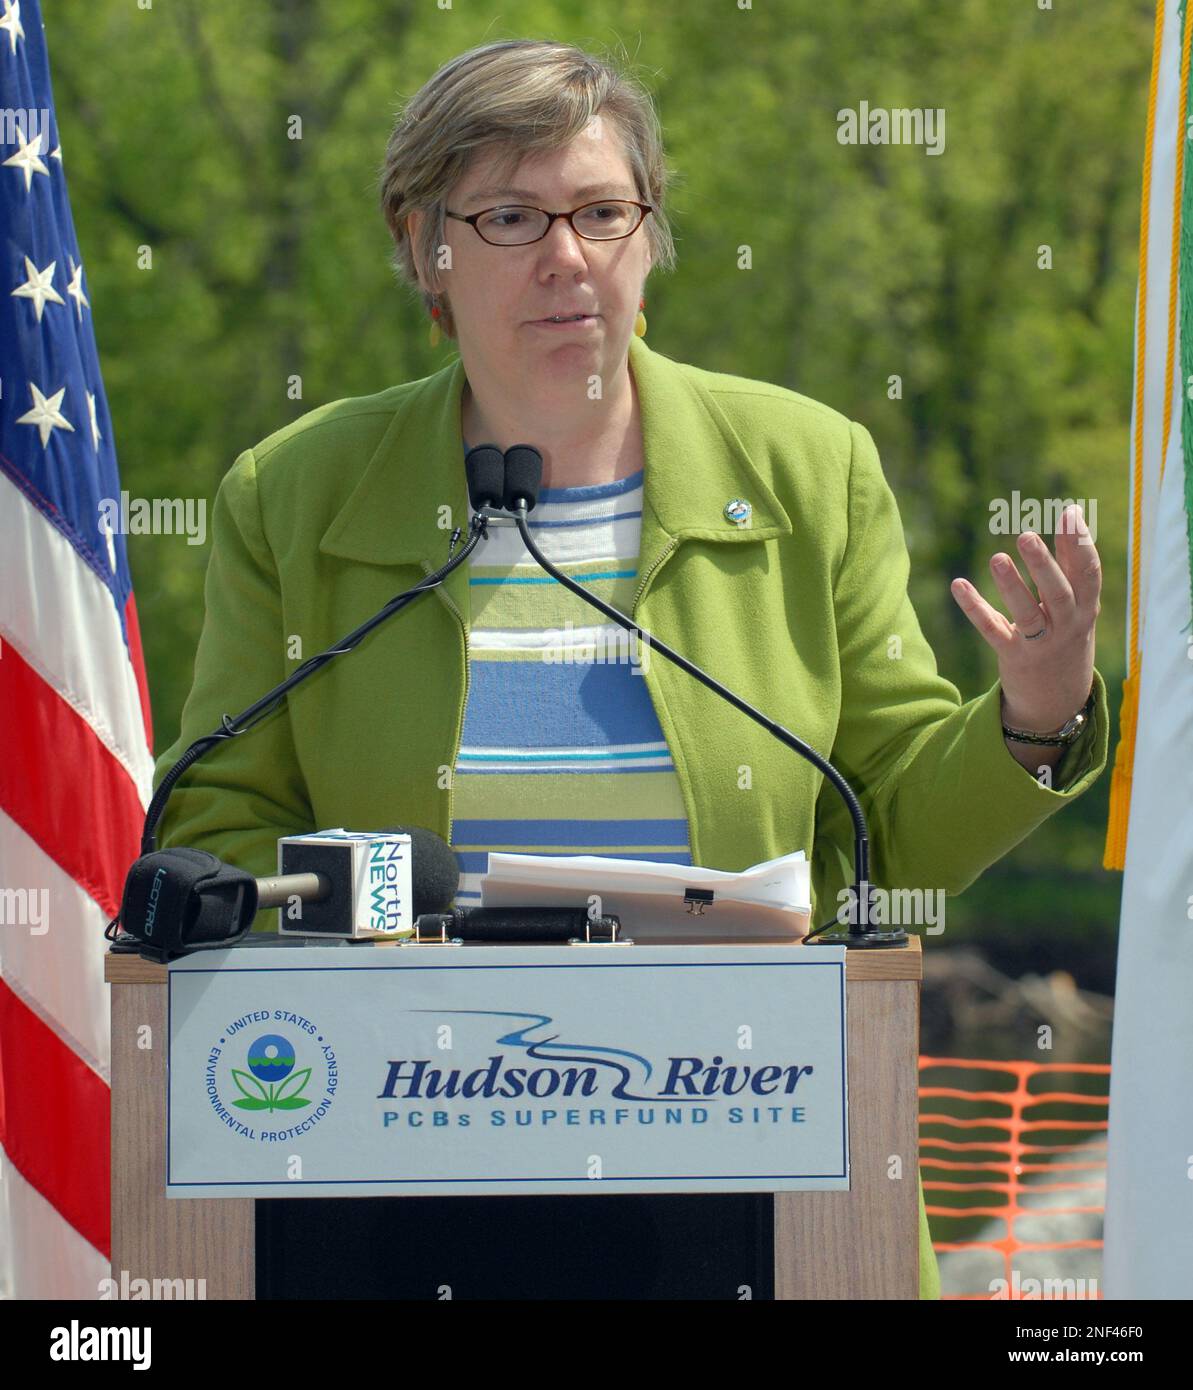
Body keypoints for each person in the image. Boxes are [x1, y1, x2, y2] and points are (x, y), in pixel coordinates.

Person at [152, 38, 1109, 1301]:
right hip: (397, 1146)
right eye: (508, 215)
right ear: (425, 246)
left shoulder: (807, 468)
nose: (566, 257)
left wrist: (1032, 717)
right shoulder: (295, 493)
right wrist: (376, 921)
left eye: (603, 211)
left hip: (749, 1142)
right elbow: (223, 822)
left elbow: (886, 832)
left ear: (650, 237)